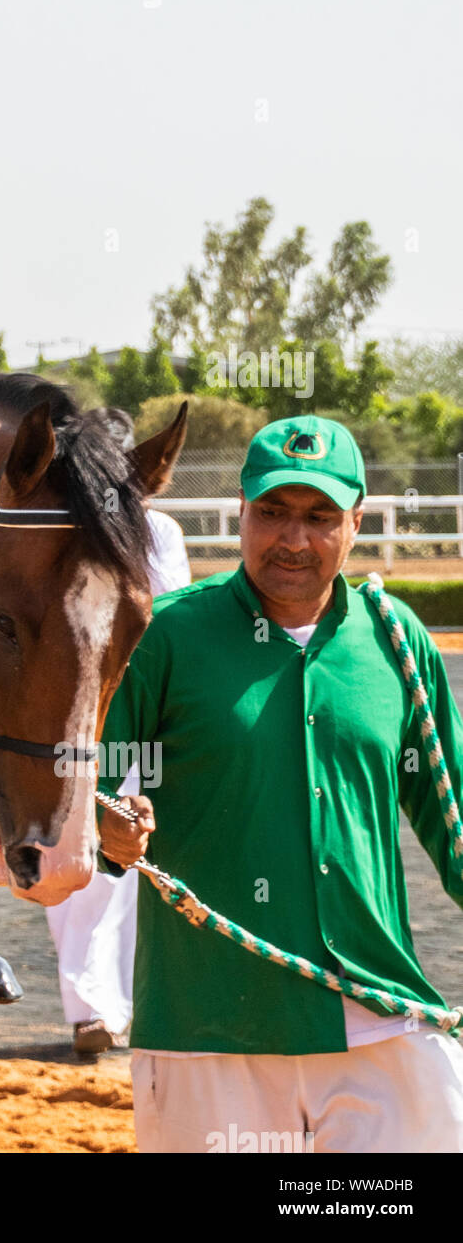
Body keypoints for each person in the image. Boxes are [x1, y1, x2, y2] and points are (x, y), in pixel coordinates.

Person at [97, 414, 463, 1152]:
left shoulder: (397, 641)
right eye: (272, 512)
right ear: (242, 510)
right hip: (205, 1034)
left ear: (357, 521)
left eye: (320, 517)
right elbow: (73, 795)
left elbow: (454, 825)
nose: (293, 539)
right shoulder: (162, 637)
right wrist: (107, 832)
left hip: (379, 1019)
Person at [44, 408, 192, 1057]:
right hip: (74, 718)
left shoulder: (157, 530)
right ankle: (93, 1012)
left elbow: (171, 617)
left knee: (137, 859)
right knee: (84, 871)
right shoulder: (53, 526)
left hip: (142, 715)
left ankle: (128, 1005)